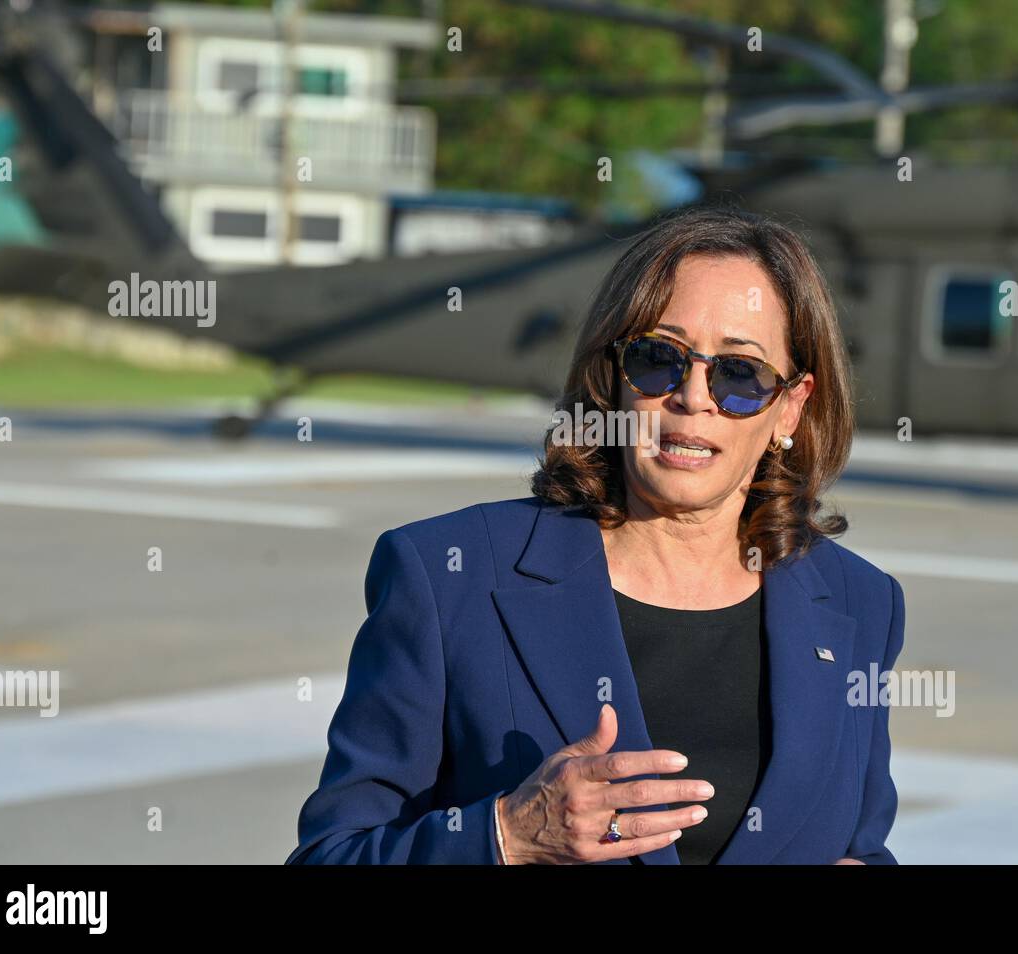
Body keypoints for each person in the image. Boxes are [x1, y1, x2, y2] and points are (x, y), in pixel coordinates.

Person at [285, 203, 906, 865]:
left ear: (790, 405)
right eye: (659, 359)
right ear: (612, 379)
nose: (693, 398)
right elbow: (330, 854)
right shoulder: (445, 575)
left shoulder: (858, 603)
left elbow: (861, 846)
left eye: (740, 374)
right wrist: (507, 837)